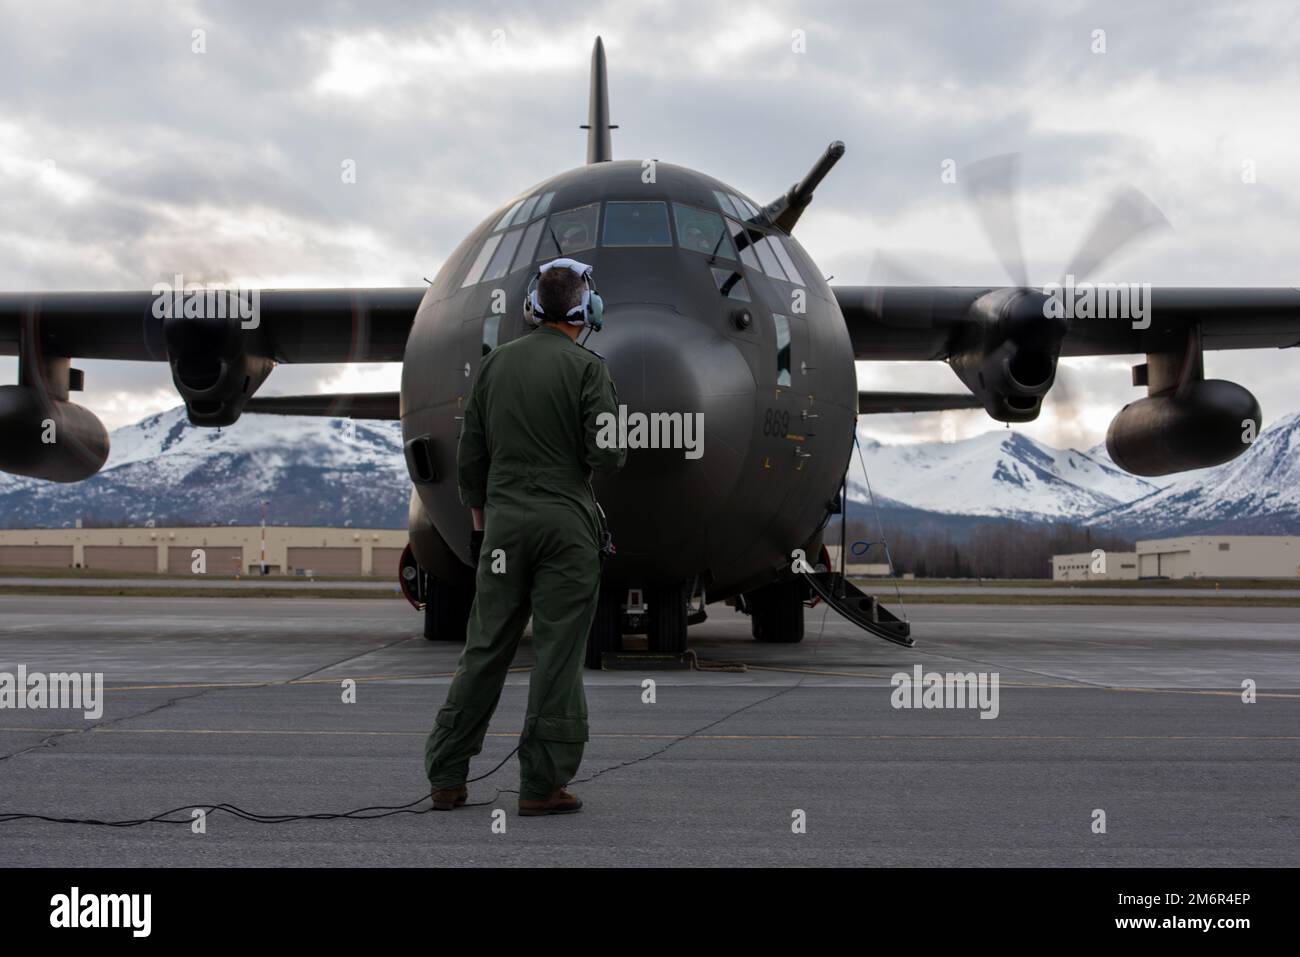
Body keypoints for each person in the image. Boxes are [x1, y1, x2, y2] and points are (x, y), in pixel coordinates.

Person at [424, 258, 625, 816]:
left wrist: (482, 532)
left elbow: (472, 459)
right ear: (587, 309)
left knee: (485, 648)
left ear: (532, 307)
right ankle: (541, 785)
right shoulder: (590, 369)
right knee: (558, 655)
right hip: (566, 527)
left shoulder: (493, 367)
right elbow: (605, 451)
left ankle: (446, 776)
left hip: (504, 530)